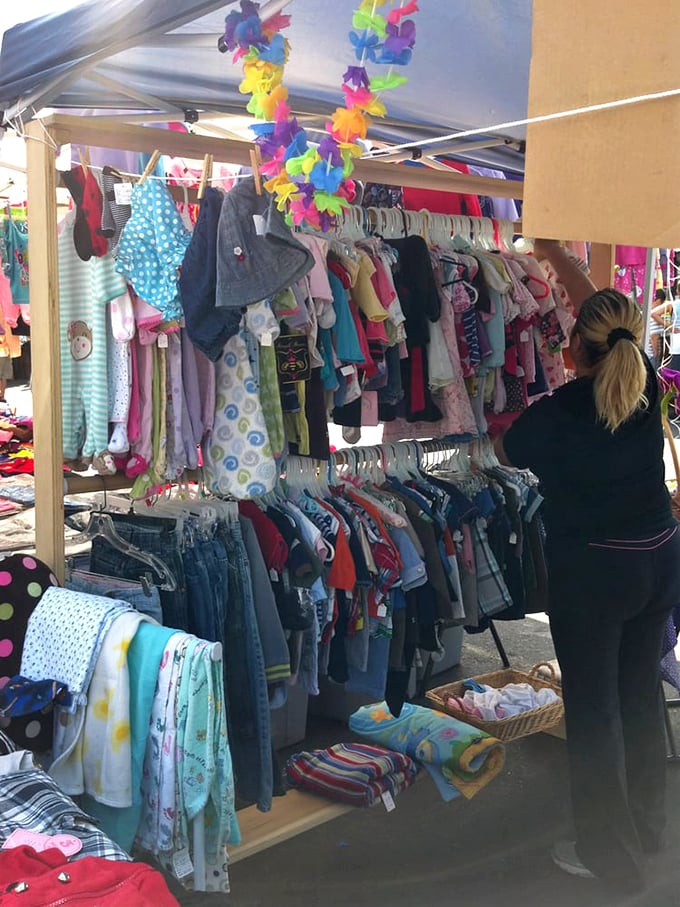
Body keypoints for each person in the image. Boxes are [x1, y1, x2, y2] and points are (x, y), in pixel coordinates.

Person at [494, 239, 680, 894]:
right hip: (659, 558)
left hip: (597, 575)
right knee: (636, 699)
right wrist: (548, 249)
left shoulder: (556, 414)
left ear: (574, 350)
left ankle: (611, 857)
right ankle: (648, 829)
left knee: (596, 713)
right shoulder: (645, 376)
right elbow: (604, 315)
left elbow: (505, 443)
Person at [647, 287, 669, 369]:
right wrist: (656, 355)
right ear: (660, 300)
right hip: (652, 354)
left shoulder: (646, 311)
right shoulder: (655, 315)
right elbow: (654, 337)